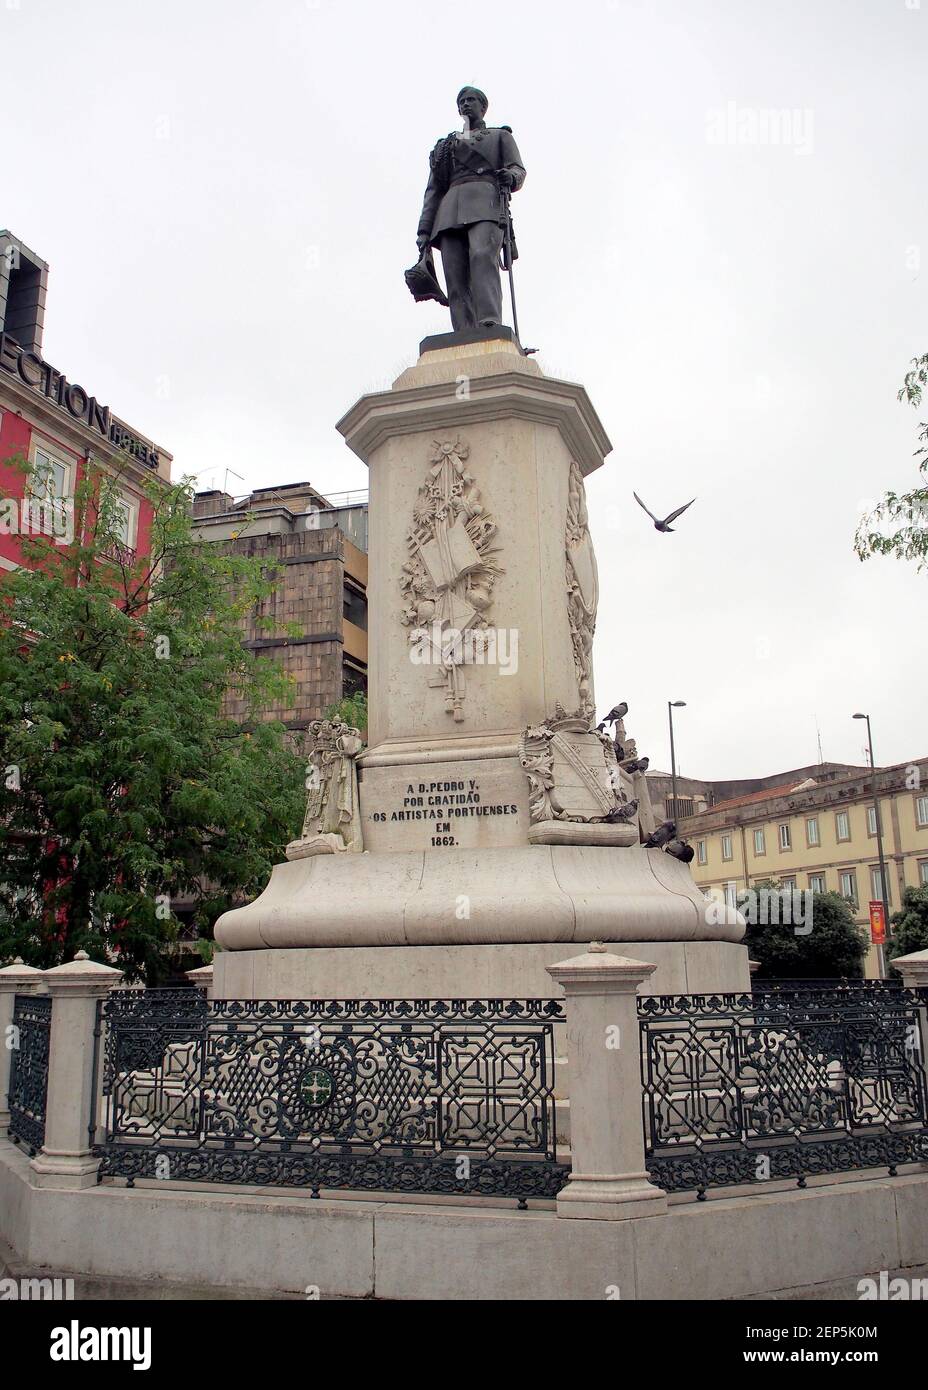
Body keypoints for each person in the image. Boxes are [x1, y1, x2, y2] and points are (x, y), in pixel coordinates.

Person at [415, 86, 526, 332]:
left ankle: (489, 320)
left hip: (485, 203)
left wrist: (510, 176)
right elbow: (433, 190)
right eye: (462, 101)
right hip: (449, 210)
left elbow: (518, 169)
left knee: (481, 256)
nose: (466, 104)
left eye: (472, 100)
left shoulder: (500, 137)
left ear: (483, 107)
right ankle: (463, 330)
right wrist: (424, 230)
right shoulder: (446, 146)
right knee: (454, 274)